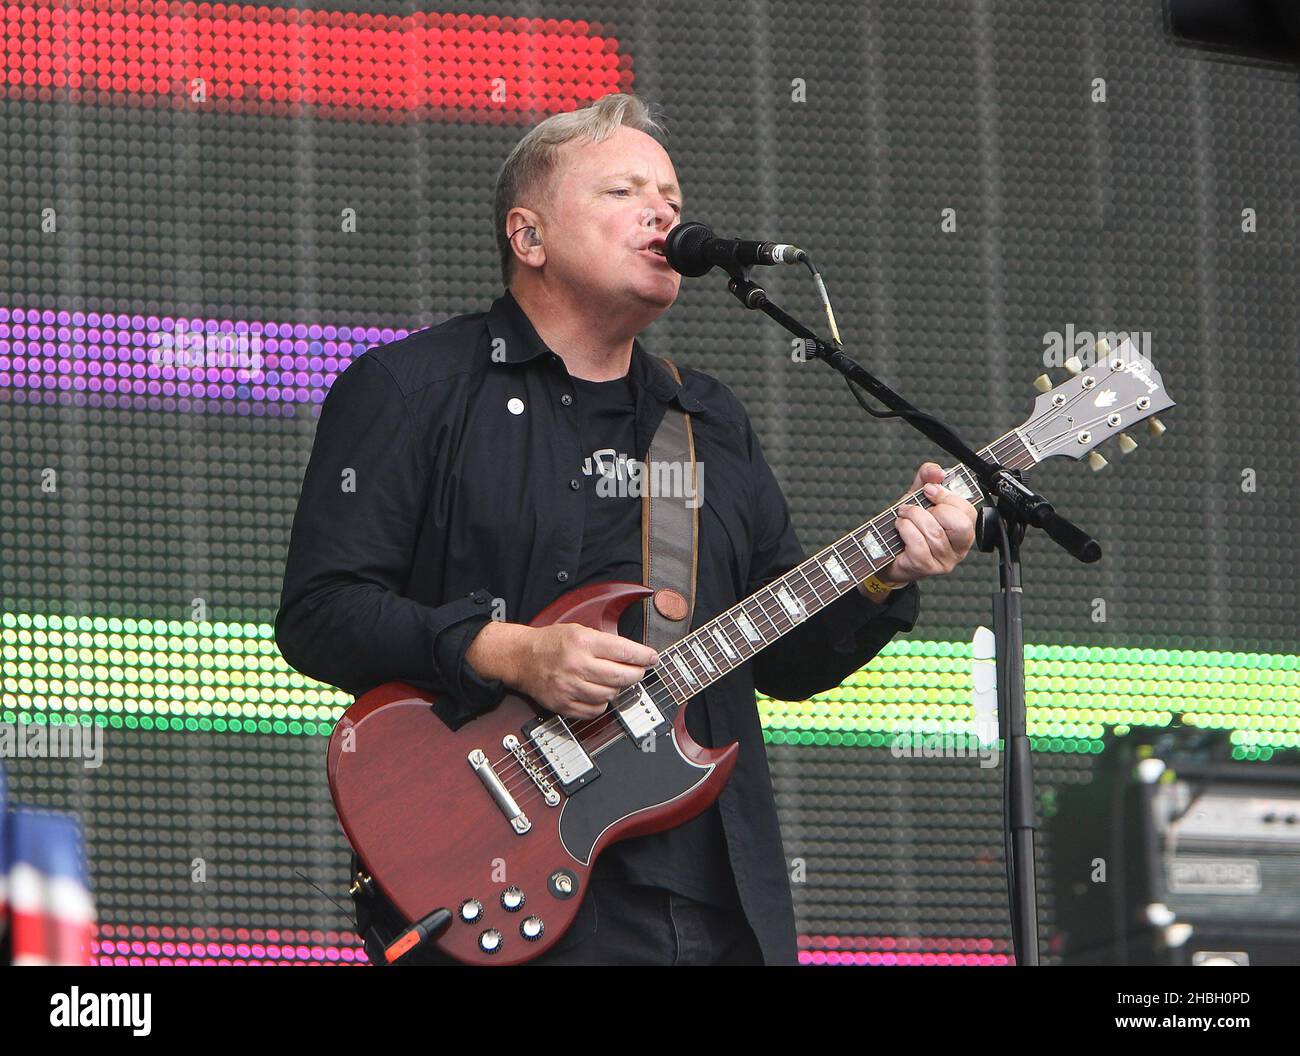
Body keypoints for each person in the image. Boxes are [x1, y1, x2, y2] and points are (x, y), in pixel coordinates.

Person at [275, 92, 978, 966]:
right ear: (527, 238)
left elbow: (787, 661)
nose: (663, 213)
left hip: (718, 903)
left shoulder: (705, 417)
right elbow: (320, 613)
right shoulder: (412, 389)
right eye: (623, 192)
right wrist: (507, 652)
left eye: (672, 201)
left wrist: (887, 575)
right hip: (500, 883)